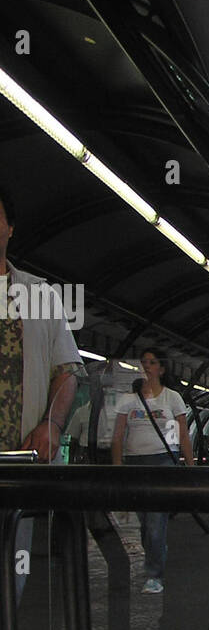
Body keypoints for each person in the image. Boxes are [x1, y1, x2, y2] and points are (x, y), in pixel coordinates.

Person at [0, 183, 82, 460]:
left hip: (23, 458)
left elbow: (66, 370)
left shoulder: (39, 295)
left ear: (10, 228)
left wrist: (53, 424)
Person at [111, 349, 194, 593]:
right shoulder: (128, 400)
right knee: (144, 522)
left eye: (152, 362)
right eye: (144, 362)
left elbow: (183, 436)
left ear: (162, 369)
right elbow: (118, 437)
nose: (147, 366)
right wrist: (117, 469)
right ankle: (157, 554)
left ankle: (154, 575)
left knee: (156, 522)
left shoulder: (172, 398)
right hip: (135, 463)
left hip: (162, 463)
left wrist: (189, 468)